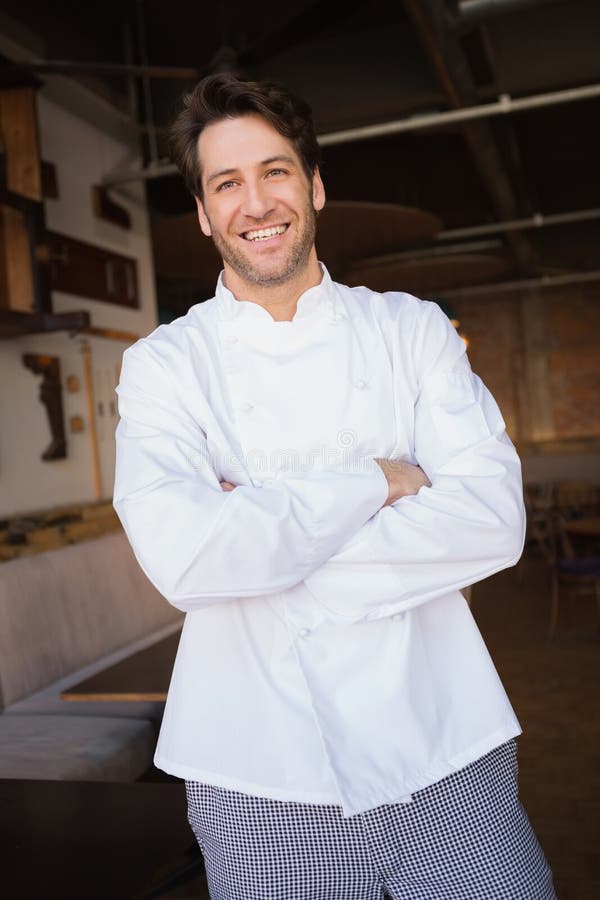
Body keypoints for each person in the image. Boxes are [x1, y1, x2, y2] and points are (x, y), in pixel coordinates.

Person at [113, 73, 555, 900]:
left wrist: (265, 548)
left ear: (314, 186)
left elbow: (493, 520)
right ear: (205, 214)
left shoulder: (411, 330)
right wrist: (381, 481)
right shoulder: (163, 368)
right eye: (226, 184)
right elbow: (188, 560)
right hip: (259, 773)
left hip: (446, 745)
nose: (256, 202)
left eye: (275, 171)